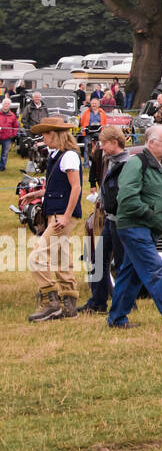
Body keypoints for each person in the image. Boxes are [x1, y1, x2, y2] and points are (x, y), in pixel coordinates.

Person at [108, 125, 162, 329]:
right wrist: (151, 215)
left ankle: (117, 318)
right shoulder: (136, 163)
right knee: (153, 267)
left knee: (130, 274)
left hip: (148, 227)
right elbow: (127, 198)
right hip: (135, 226)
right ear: (151, 142)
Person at [26, 117, 83, 322]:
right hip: (57, 213)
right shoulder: (57, 156)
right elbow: (57, 187)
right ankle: (69, 304)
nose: (43, 138)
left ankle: (51, 302)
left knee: (36, 257)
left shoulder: (69, 156)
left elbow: (75, 188)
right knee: (61, 258)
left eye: (46, 134)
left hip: (62, 215)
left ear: (55, 135)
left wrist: (66, 216)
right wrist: (37, 194)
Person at [80, 124, 129, 314]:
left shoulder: (127, 163)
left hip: (120, 220)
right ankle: (98, 301)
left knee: (122, 263)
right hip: (109, 218)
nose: (101, 147)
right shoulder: (108, 159)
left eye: (104, 143)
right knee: (98, 259)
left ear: (114, 142)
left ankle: (126, 302)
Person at [0, 97, 18, 171]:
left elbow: (15, 126)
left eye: (8, 104)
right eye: (5, 104)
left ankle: (2, 167)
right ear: (2, 104)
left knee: (4, 153)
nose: (6, 105)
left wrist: (13, 134)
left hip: (7, 137)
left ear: (9, 106)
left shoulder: (12, 115)